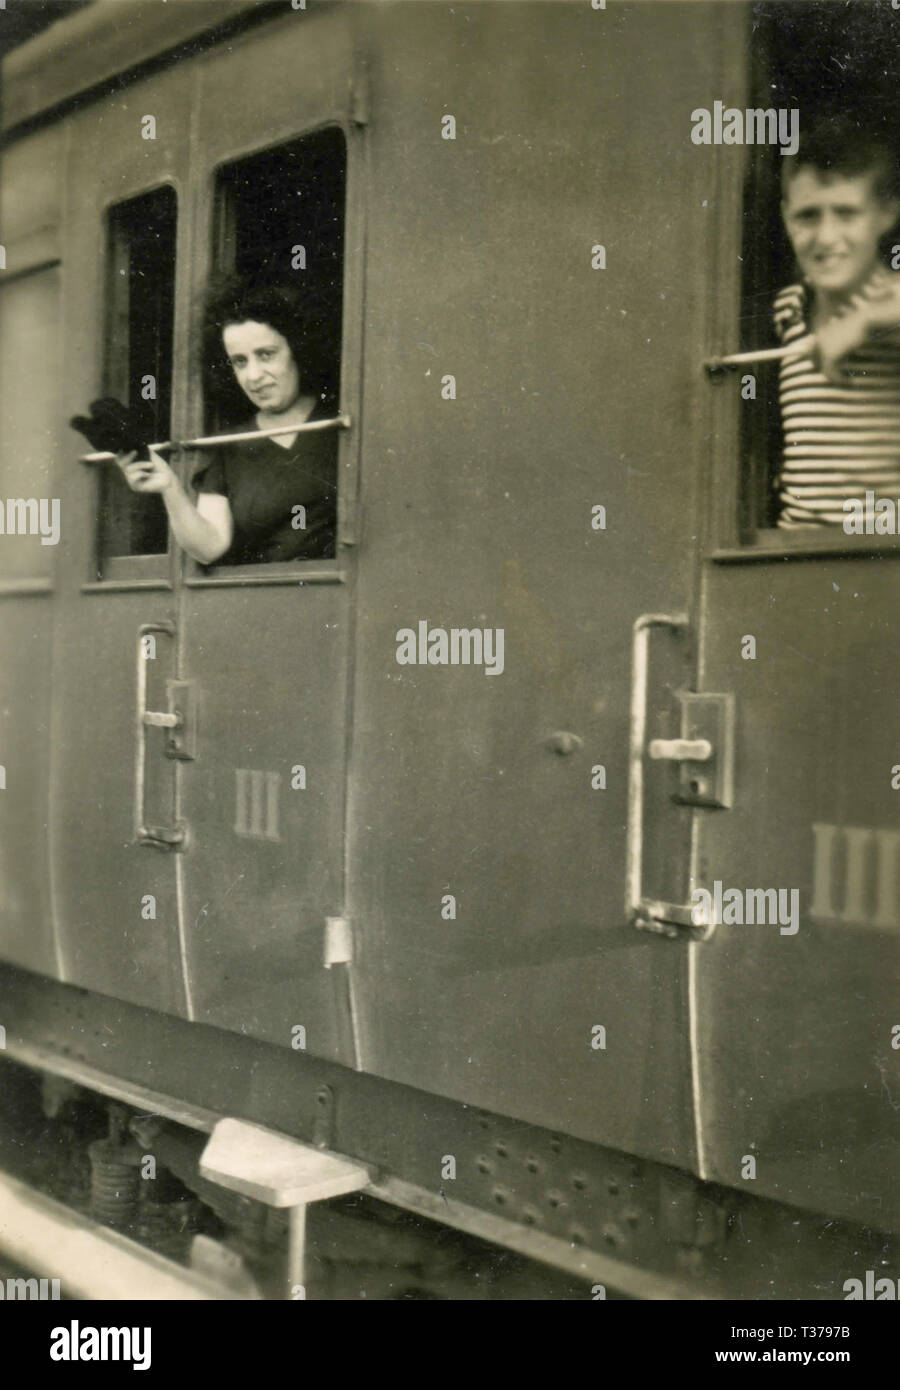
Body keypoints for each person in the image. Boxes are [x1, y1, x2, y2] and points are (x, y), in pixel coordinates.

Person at [115, 278, 338, 564]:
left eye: (266, 355)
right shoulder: (228, 447)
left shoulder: (341, 424)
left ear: (299, 348)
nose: (253, 376)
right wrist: (168, 485)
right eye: (240, 361)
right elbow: (210, 548)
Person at [773, 118, 900, 528]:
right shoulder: (788, 309)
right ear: (786, 217)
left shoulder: (890, 296)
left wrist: (865, 321)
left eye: (846, 213)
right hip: (795, 553)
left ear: (886, 214)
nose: (827, 237)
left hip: (876, 561)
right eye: (808, 215)